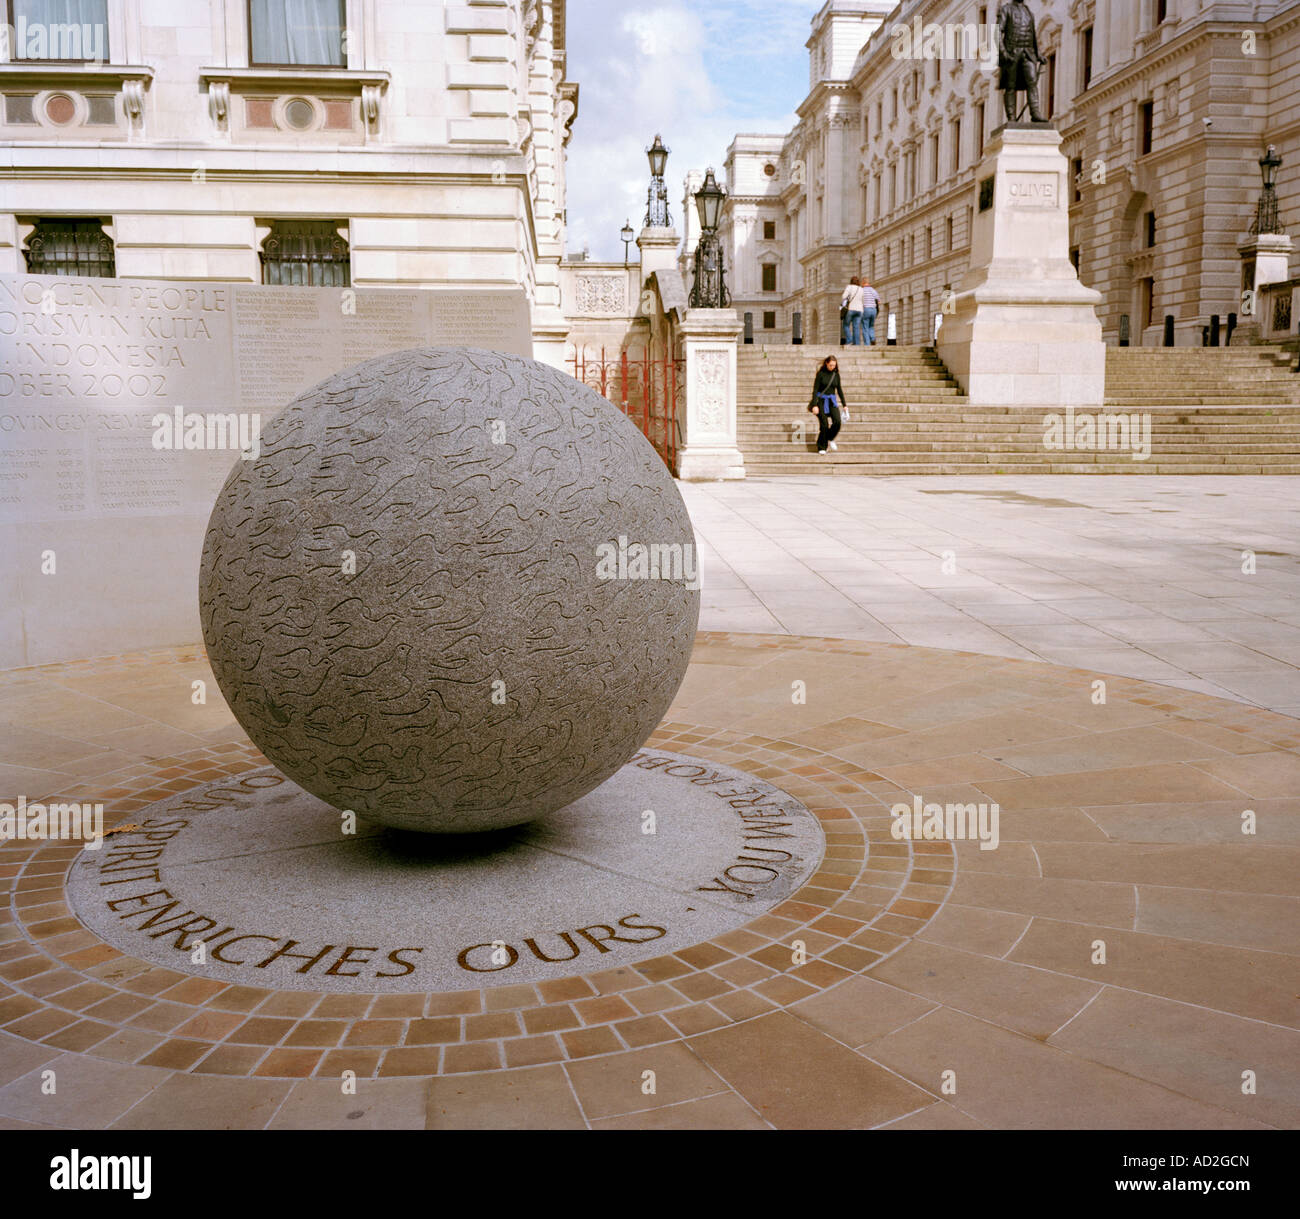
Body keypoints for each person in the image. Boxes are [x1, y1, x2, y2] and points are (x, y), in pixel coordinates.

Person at [808, 355, 849, 454]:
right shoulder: (821, 374)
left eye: (834, 365)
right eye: (830, 365)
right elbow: (815, 390)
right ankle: (822, 446)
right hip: (821, 401)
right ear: (826, 364)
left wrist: (844, 404)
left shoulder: (836, 375)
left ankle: (830, 438)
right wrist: (814, 405)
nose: (832, 367)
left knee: (837, 421)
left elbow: (839, 390)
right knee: (824, 425)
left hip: (832, 401)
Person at [840, 278, 865, 346]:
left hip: (851, 308)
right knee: (856, 327)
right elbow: (863, 300)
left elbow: (843, 296)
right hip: (860, 310)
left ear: (851, 281)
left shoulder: (849, 287)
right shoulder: (861, 289)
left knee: (846, 325)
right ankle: (857, 343)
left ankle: (849, 341)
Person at [860, 277, 881, 346]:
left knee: (865, 327)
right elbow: (879, 301)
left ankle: (867, 344)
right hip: (873, 310)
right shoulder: (873, 290)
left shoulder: (862, 290)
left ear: (862, 283)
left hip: (866, 309)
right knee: (871, 326)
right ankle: (872, 338)